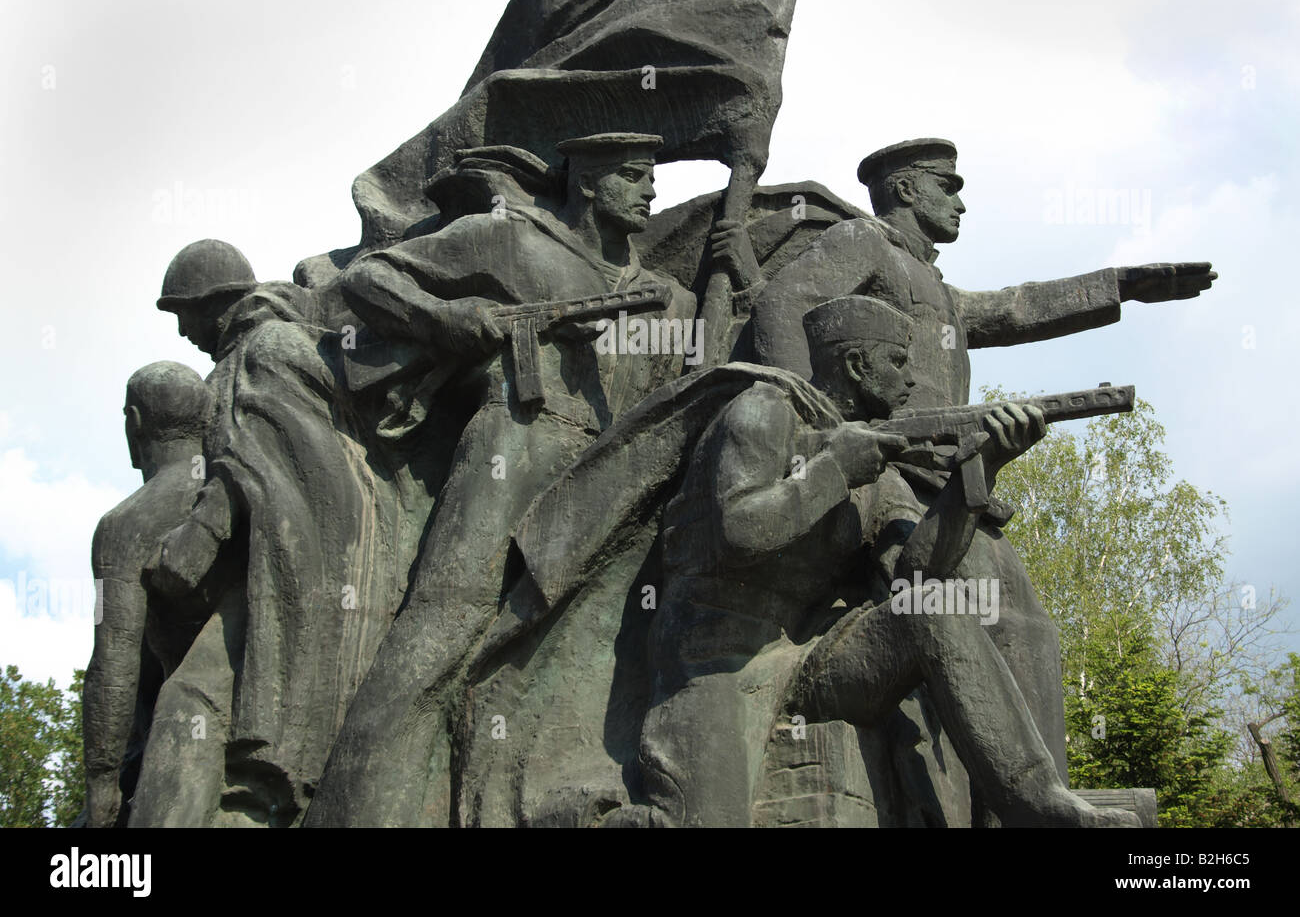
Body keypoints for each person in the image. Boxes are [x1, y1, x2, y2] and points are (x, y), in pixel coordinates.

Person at [306, 131, 758, 827]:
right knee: (439, 629)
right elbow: (368, 280)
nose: (651, 191)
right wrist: (446, 318)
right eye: (634, 176)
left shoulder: (662, 298)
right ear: (587, 182)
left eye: (651, 178)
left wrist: (740, 280)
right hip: (517, 443)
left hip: (610, 479)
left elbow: (701, 386)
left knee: (572, 645)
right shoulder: (513, 242)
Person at [750, 138, 1217, 782]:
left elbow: (1016, 307)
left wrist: (1121, 285)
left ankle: (1037, 804)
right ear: (907, 188)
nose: (961, 201)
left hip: (954, 478)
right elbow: (781, 304)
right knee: (973, 613)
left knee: (1028, 630)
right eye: (948, 184)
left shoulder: (933, 286)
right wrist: (811, 425)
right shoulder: (864, 243)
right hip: (892, 476)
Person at [620, 296, 1136, 827]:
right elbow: (739, 532)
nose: (911, 379)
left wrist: (975, 477)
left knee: (930, 609)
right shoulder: (764, 410)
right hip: (714, 663)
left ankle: (1036, 800)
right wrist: (833, 470)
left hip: (803, 661)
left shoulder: (876, 465)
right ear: (856, 364)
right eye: (898, 361)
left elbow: (914, 576)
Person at [135, 240, 413, 825]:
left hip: (306, 564)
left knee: (190, 703)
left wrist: (201, 536)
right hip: (285, 560)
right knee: (198, 705)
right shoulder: (263, 348)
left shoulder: (265, 348)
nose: (183, 332)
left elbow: (257, 457)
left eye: (182, 313)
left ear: (214, 302)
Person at [83, 362, 213, 828]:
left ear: (134, 422)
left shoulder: (126, 524)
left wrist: (100, 781)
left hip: (190, 718)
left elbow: (112, 661)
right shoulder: (233, 485)